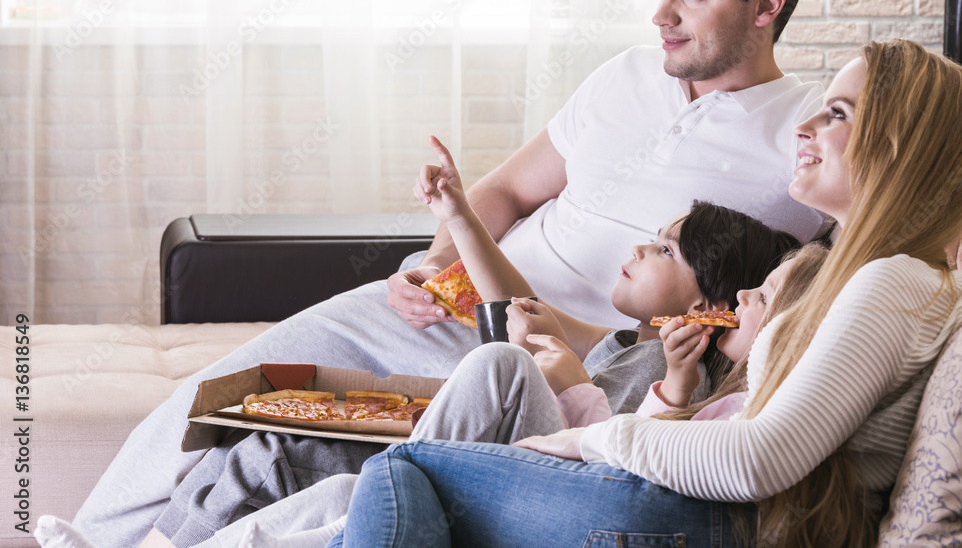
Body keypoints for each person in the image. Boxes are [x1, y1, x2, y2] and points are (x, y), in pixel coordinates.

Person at [65, 0, 962, 547]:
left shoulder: (795, 135)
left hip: (569, 363)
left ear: (767, 6)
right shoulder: (625, 76)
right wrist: (436, 261)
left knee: (317, 443)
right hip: (461, 301)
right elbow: (505, 194)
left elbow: (915, 168)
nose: (662, 13)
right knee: (241, 388)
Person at [329, 38, 962, 548]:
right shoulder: (867, 274)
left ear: (899, 146)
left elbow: (758, 458)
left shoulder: (891, 281)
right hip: (696, 507)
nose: (805, 127)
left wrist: (592, 442)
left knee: (402, 469)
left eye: (838, 113)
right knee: (408, 478)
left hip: (707, 521)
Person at [129, 190, 797, 548]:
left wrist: (562, 367)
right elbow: (517, 304)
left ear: (709, 308)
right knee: (257, 407)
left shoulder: (667, 365)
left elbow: (608, 462)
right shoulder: (631, 338)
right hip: (455, 422)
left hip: (474, 453)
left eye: (663, 250)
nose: (638, 248)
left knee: (273, 442)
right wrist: (458, 216)